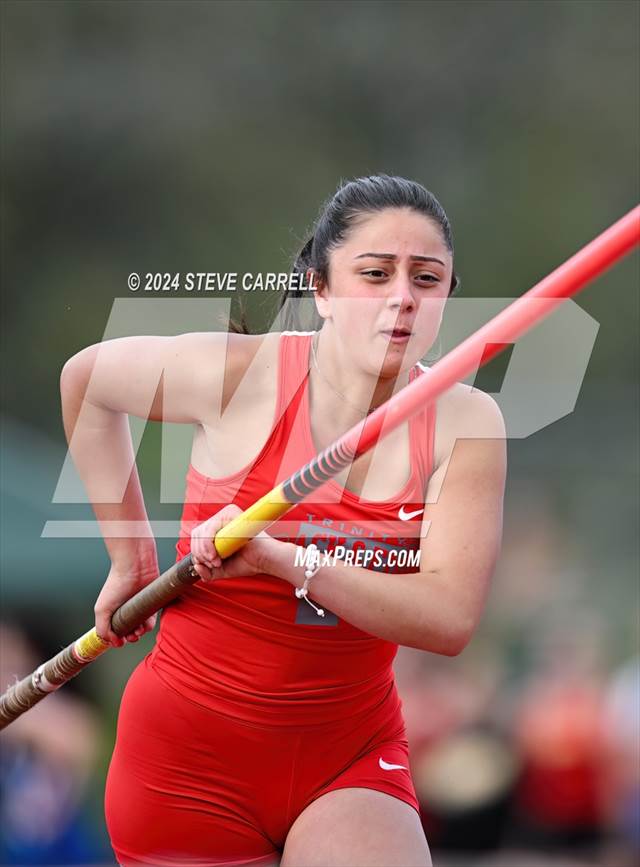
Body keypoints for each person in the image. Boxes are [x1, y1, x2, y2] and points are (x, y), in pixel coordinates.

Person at [60, 175, 507, 867]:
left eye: (427, 277)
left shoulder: (467, 421)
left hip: (347, 756)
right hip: (190, 762)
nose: (403, 297)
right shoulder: (236, 375)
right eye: (375, 273)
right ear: (320, 290)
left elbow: (447, 619)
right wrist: (131, 557)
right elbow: (86, 384)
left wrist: (283, 557)